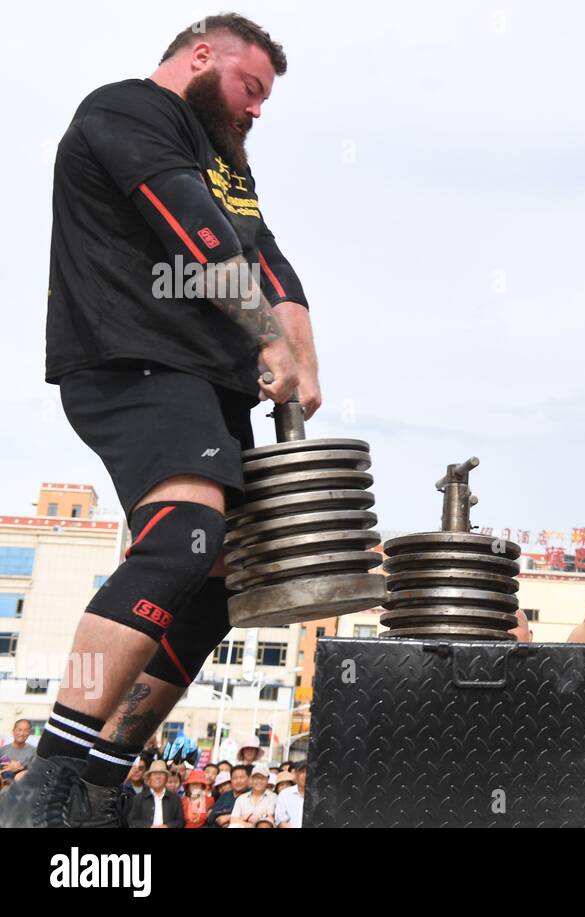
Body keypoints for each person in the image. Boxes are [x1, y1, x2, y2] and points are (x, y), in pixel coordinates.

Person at [0, 13, 315, 831]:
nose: (256, 109)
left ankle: (104, 777)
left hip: (209, 380)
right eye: (251, 88)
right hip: (133, 357)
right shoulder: (127, 110)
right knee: (181, 537)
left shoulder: (225, 162)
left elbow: (269, 259)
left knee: (215, 589)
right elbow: (197, 235)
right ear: (202, 57)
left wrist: (301, 365)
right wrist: (269, 338)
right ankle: (50, 778)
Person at [127, 760, 183, 828]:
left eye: (161, 774)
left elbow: (180, 821)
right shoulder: (138, 798)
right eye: (154, 774)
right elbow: (132, 821)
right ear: (149, 778)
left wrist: (167, 826)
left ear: (166, 778)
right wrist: (149, 826)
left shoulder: (175, 799)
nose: (158, 777)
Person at [228, 763, 277, 827]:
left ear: (268, 779)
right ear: (251, 779)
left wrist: (243, 818)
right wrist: (249, 818)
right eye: (256, 778)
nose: (259, 781)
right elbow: (233, 820)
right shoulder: (241, 798)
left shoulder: (274, 798)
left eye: (262, 778)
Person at [274, 763, 305, 828]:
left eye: (308, 772)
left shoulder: (318, 794)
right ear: (296, 774)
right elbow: (281, 821)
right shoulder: (284, 794)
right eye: (302, 772)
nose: (305, 775)